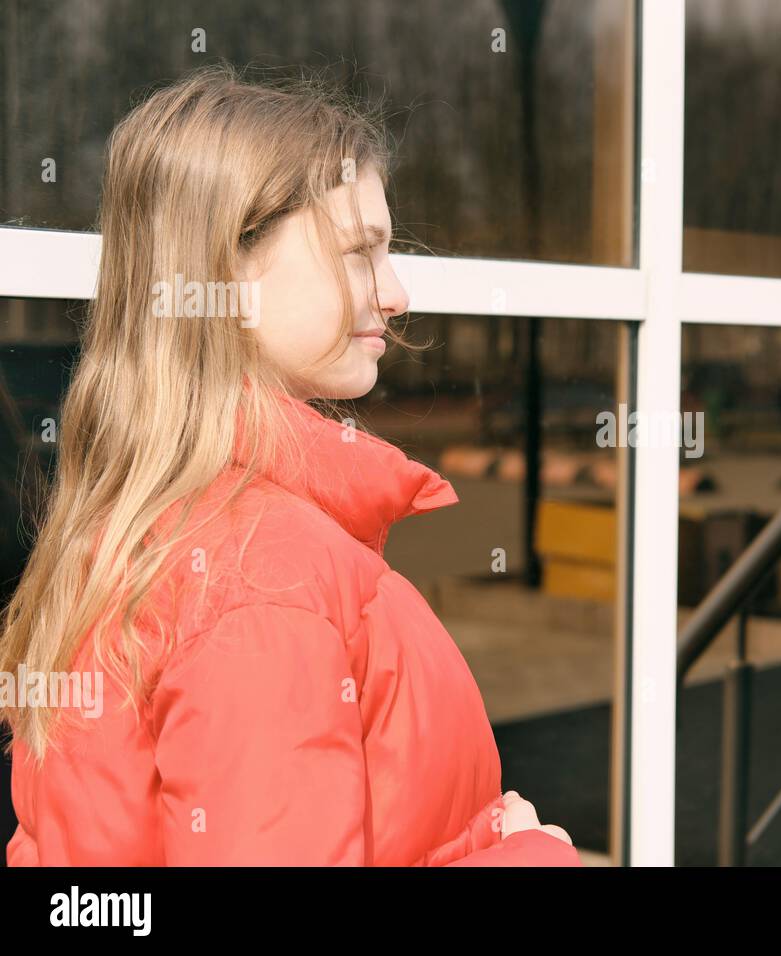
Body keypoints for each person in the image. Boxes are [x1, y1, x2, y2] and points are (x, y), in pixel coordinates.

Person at [0, 64, 578, 866]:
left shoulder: (152, 531)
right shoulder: (258, 579)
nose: (397, 290)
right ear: (228, 270)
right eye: (358, 252)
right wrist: (529, 856)